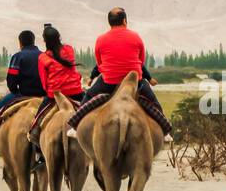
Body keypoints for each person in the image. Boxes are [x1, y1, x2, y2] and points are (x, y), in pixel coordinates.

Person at [66, 8, 171, 140]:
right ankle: (166, 131)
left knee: (88, 96)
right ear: (124, 21)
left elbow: (100, 63)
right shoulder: (136, 36)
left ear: (109, 22)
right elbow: (141, 60)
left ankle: (75, 126)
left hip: (109, 82)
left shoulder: (101, 39)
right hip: (135, 82)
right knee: (153, 101)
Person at [0, 30, 44, 152]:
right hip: (43, 95)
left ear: (20, 43)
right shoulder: (44, 56)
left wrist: (14, 90)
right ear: (34, 41)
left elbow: (11, 80)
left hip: (22, 94)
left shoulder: (18, 57)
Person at [26, 23, 84, 146]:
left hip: (55, 95)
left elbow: (44, 82)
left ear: (44, 41)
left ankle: (34, 135)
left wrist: (49, 91)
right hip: (76, 92)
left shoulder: (43, 57)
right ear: (59, 37)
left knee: (39, 117)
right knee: (91, 109)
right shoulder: (69, 49)